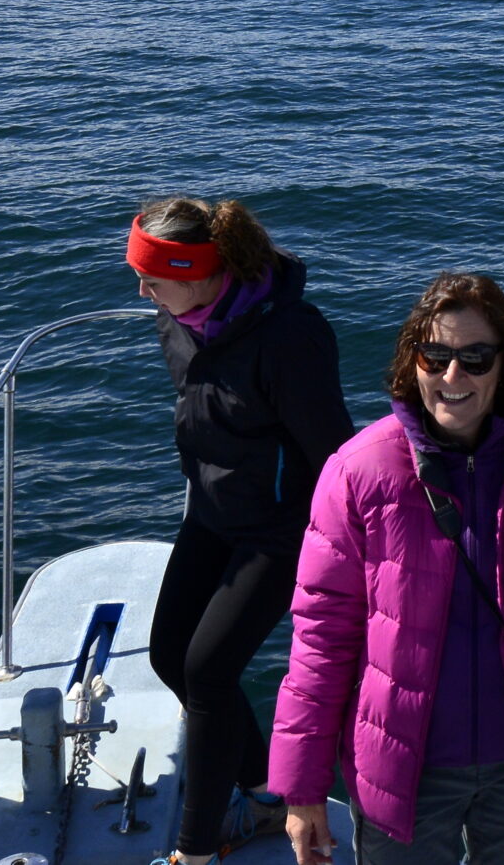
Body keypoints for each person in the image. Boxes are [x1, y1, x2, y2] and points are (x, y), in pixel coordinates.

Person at [270, 273, 504, 865]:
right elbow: (321, 640)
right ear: (411, 360)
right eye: (436, 355)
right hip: (403, 766)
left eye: (475, 358)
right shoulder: (357, 472)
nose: (453, 376)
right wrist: (302, 789)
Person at [131, 196, 356, 865]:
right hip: (211, 511)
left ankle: (193, 853)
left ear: (201, 271)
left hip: (279, 528)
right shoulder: (178, 321)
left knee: (207, 671)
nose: (141, 291)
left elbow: (335, 452)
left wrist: (352, 553)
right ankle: (262, 791)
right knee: (170, 655)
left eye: (153, 277)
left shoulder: (291, 335)